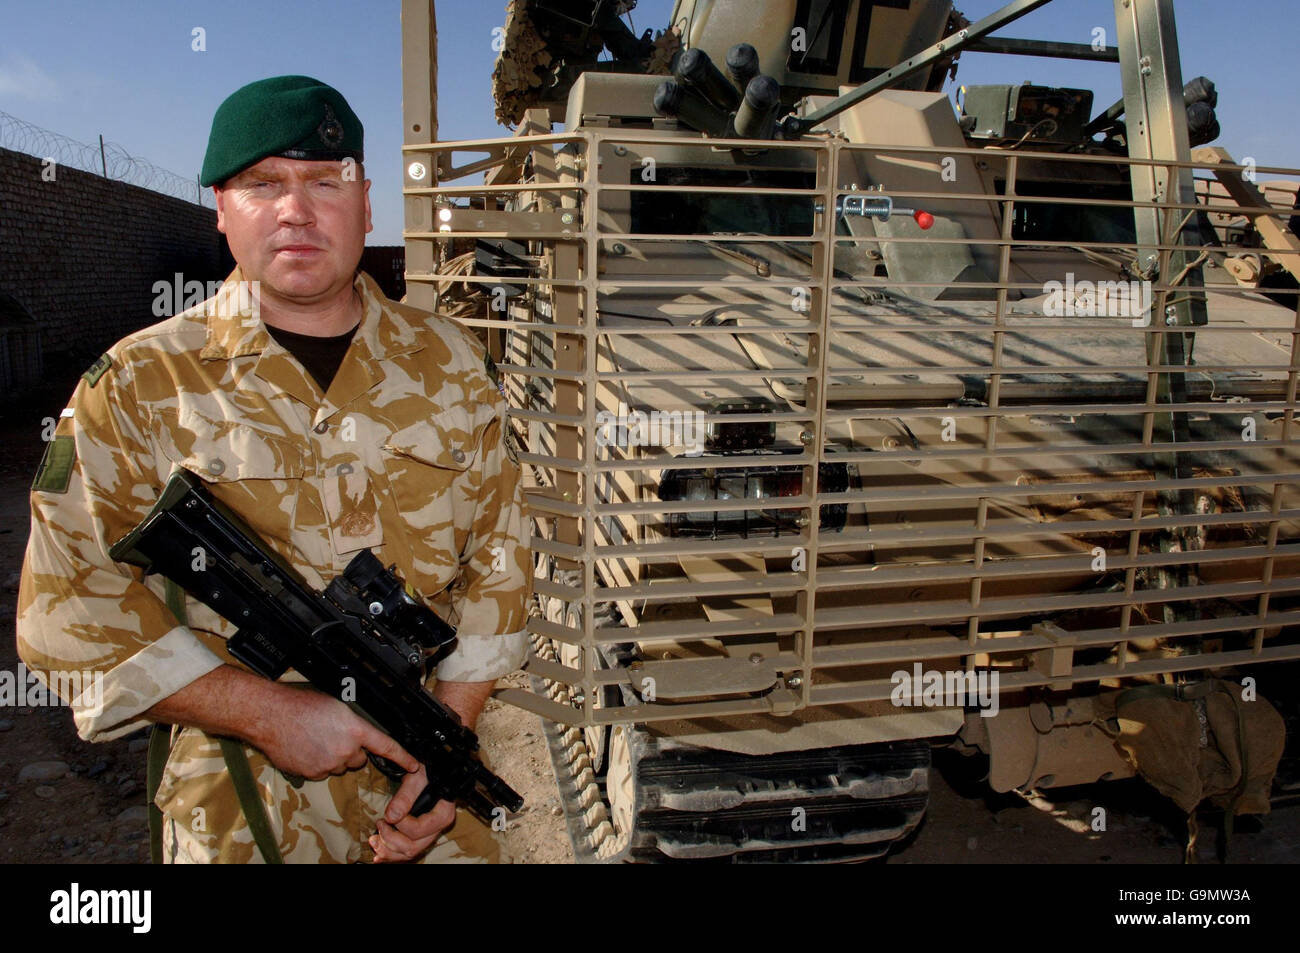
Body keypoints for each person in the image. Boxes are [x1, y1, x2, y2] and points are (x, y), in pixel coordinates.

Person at [17, 75, 531, 864]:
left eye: (327, 182)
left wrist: (449, 735)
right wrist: (264, 712)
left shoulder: (456, 366)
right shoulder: (136, 387)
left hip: (428, 820)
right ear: (221, 211)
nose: (297, 208)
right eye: (263, 183)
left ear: (366, 206)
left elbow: (499, 560)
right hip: (241, 819)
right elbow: (63, 613)